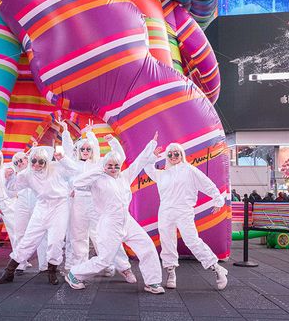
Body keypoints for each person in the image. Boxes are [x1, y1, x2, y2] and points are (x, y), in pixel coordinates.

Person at [65, 135, 166, 294]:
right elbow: (77, 183)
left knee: (147, 246)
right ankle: (74, 274)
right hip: (109, 223)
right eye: (109, 165)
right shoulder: (97, 180)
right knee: (104, 260)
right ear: (104, 166)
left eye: (116, 166)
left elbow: (139, 162)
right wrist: (99, 170)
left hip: (127, 221)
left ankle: (152, 282)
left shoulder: (124, 177)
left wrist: (151, 145)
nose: (113, 168)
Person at [142, 141, 227, 291]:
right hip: (166, 211)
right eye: (170, 154)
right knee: (167, 241)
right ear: (167, 156)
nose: (173, 156)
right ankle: (171, 272)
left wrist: (218, 199)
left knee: (192, 240)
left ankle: (217, 269)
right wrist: (152, 156)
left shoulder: (190, 170)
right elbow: (148, 168)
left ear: (182, 155)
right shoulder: (162, 174)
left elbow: (207, 184)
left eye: (177, 153)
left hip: (184, 211)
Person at [0, 144, 79, 286]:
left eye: (41, 161)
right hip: (41, 207)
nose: (37, 164)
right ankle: (9, 271)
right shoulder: (26, 173)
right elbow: (13, 187)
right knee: (28, 239)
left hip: (60, 206)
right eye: (34, 161)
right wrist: (8, 178)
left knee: (55, 240)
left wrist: (63, 159)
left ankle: (52, 271)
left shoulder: (55, 167)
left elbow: (74, 169)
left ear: (46, 162)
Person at [58, 120, 102, 272]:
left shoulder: (95, 164)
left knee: (99, 233)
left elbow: (95, 147)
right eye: (82, 148)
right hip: (76, 202)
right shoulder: (73, 164)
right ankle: (75, 266)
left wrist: (90, 134)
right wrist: (64, 131)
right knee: (76, 235)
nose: (85, 151)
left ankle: (107, 262)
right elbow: (67, 148)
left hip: (94, 202)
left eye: (88, 149)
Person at [7, 150, 48, 273]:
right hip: (21, 203)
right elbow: (10, 193)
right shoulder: (17, 175)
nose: (19, 163)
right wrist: (9, 178)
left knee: (42, 233)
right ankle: (20, 262)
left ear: (27, 159)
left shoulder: (39, 170)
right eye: (16, 162)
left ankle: (44, 265)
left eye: (21, 160)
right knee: (19, 232)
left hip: (38, 203)